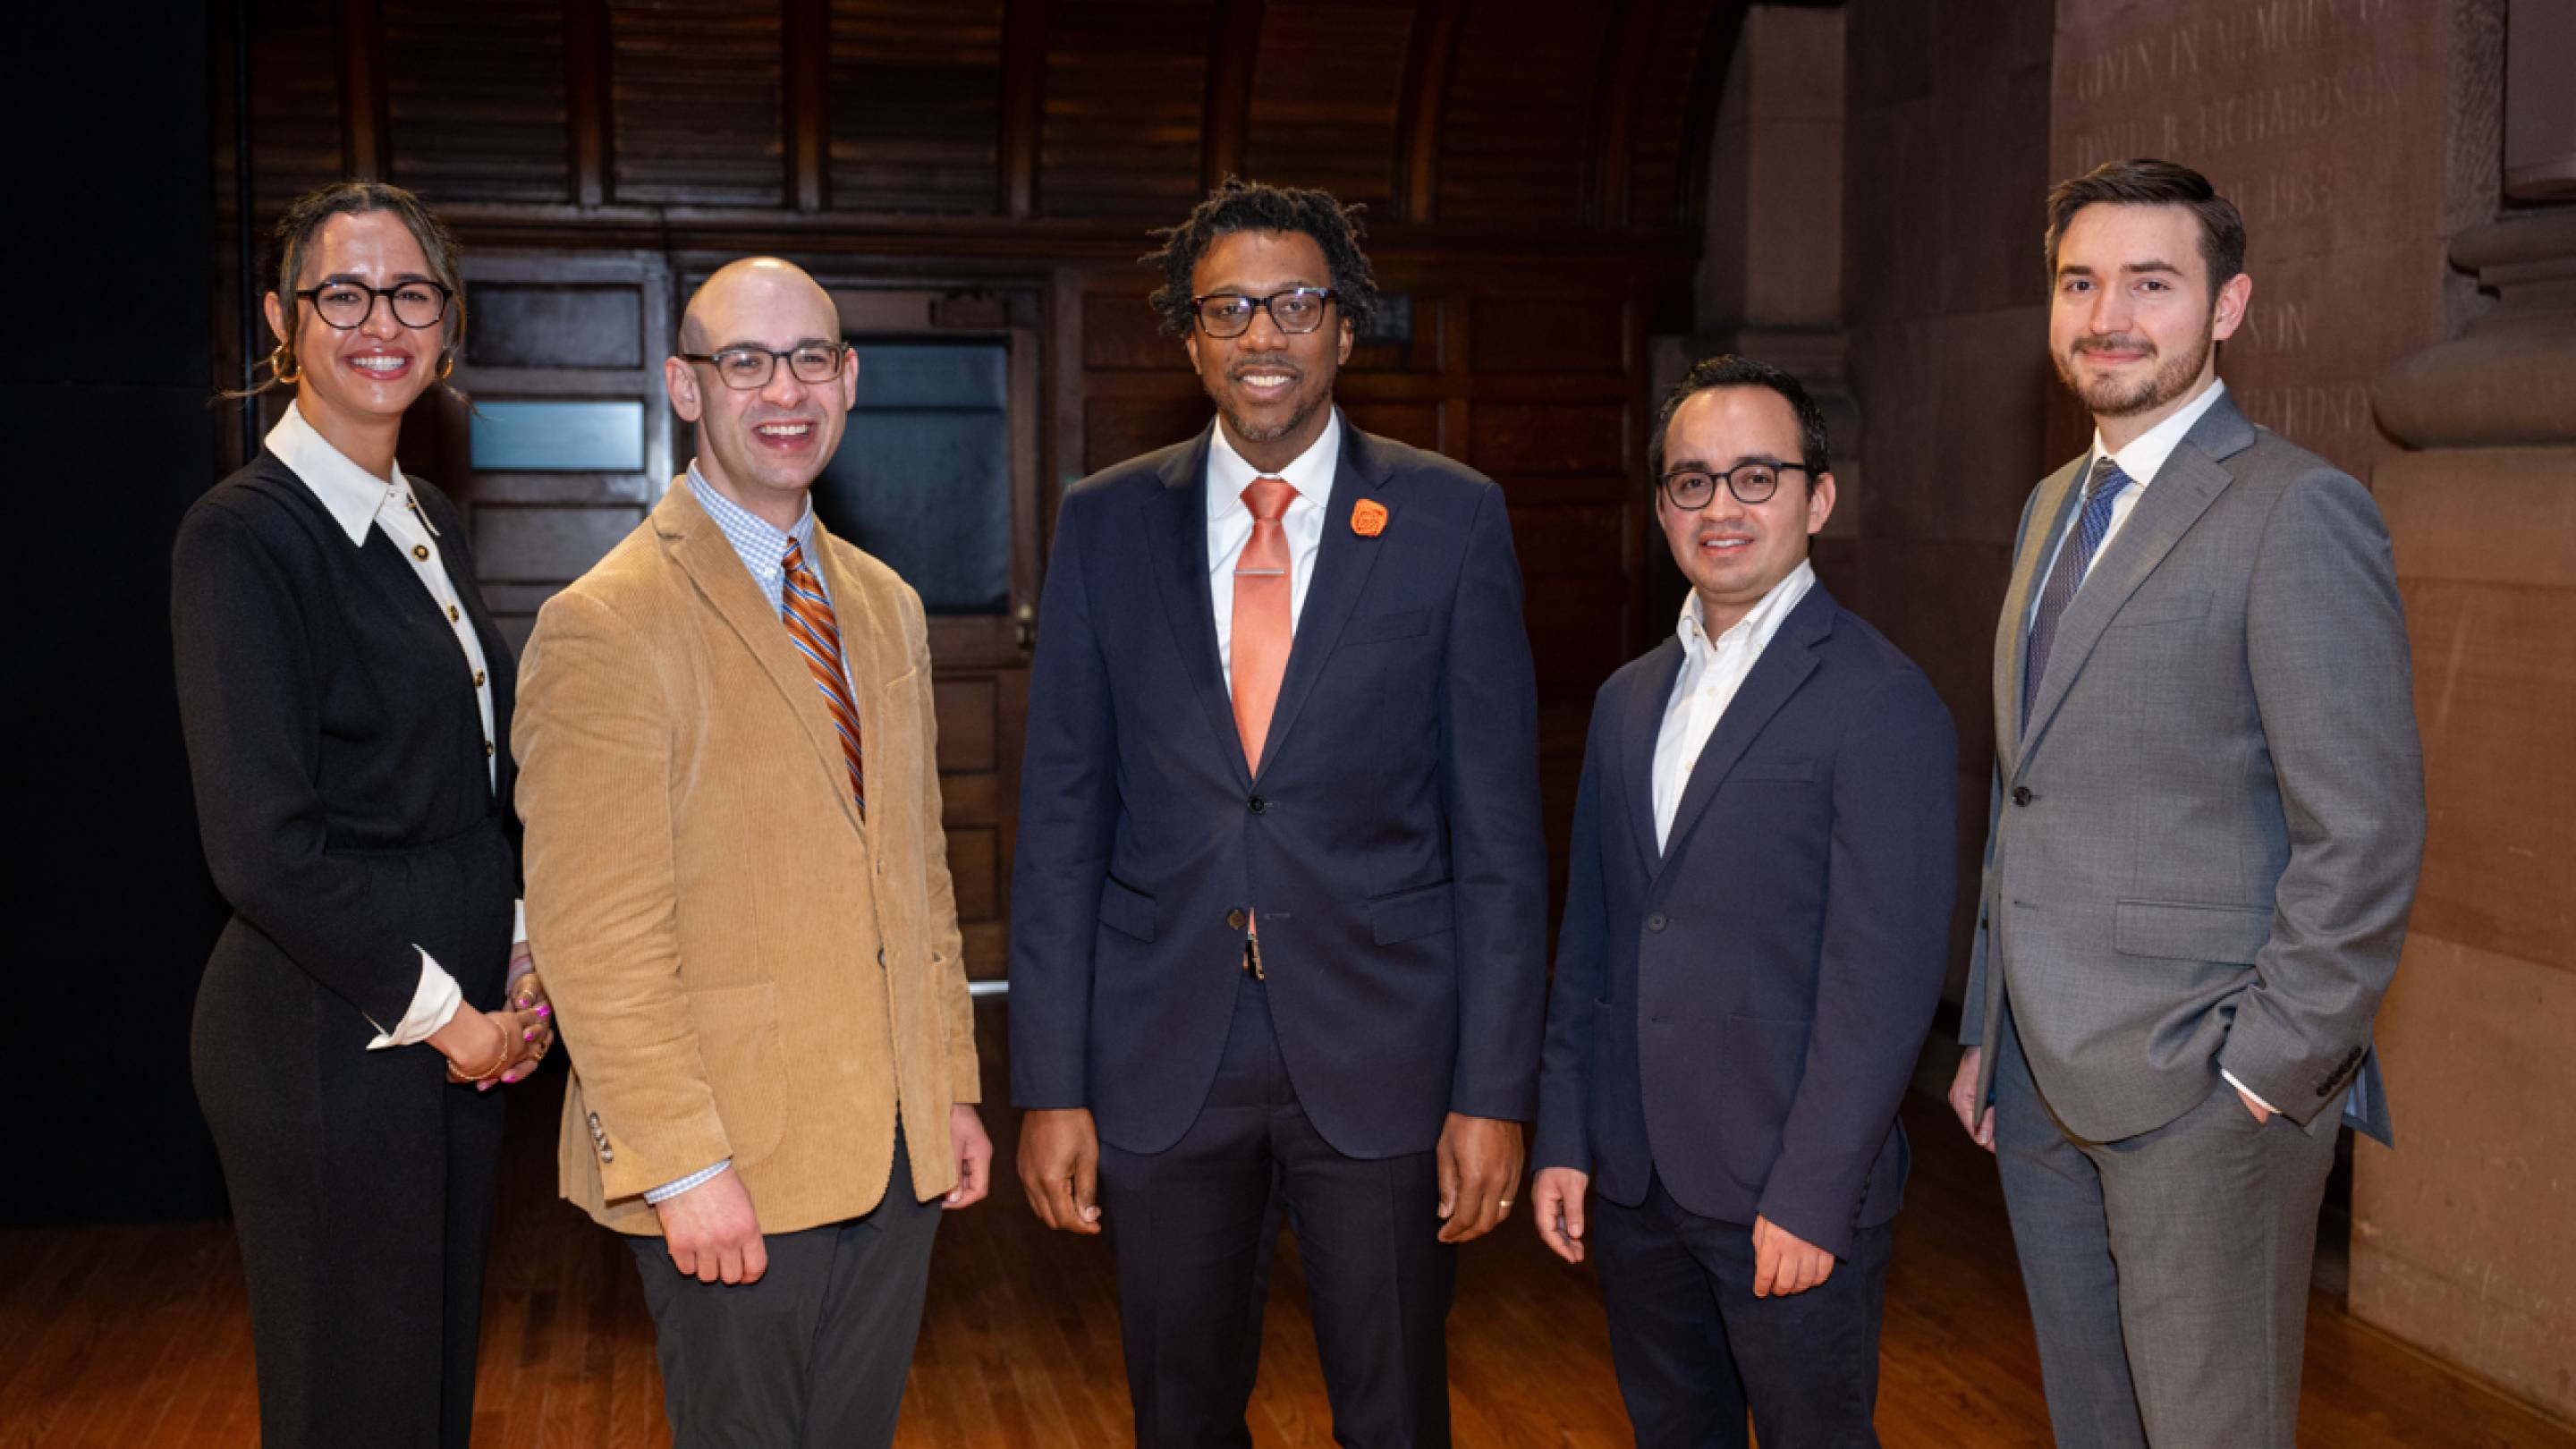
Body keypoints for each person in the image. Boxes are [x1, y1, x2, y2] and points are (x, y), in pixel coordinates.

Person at [1008, 177, 1550, 1448]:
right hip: (1161, 1059)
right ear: (1189, 338)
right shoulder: (1102, 526)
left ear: (1345, 330)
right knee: (1180, 1414)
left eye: (1296, 304)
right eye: (1231, 309)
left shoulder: (1451, 518)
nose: (1265, 335)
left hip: (1387, 1059)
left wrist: (1495, 1091)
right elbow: (1059, 828)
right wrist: (1051, 1084)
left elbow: (1502, 845)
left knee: (1396, 1411)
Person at [1947, 158, 2426, 1448]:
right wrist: (1990, 1025)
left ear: (2227, 307)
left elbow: (2365, 833)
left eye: (2151, 283)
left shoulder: (2297, 511)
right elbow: (2025, 786)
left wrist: (2264, 1074)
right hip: (2041, 1077)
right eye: (2080, 282)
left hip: (2207, 1094)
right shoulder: (2055, 504)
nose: (2109, 313)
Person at [513, 257, 991, 1448]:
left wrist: (953, 1089)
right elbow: (594, 936)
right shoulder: (606, 624)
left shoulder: (883, 604)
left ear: (851, 378)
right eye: (745, 362)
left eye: (811, 359)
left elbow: (918, 878)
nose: (784, 391)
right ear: (686, 387)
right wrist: (679, 1168)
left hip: (894, 1153)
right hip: (731, 1164)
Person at [170, 181, 551, 1449]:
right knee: (354, 1404)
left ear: (445, 321)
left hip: (444, 1022)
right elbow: (261, 852)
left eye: (410, 292)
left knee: (422, 1396)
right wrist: (455, 1023)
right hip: (329, 1040)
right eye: (345, 291)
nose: (379, 320)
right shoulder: (241, 539)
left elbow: (462, 780)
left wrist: (512, 953)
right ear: (285, 319)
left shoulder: (425, 513)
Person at [1530, 356, 1956, 1448]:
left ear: (1818, 498)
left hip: (1786, 1191)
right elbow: (1592, 946)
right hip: (1635, 1184)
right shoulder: (1628, 701)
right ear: (1662, 506)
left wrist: (1813, 1193)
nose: (1721, 507)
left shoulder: (1881, 698)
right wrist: (1567, 1136)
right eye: (1692, 481)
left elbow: (1886, 979)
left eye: (1756, 477)